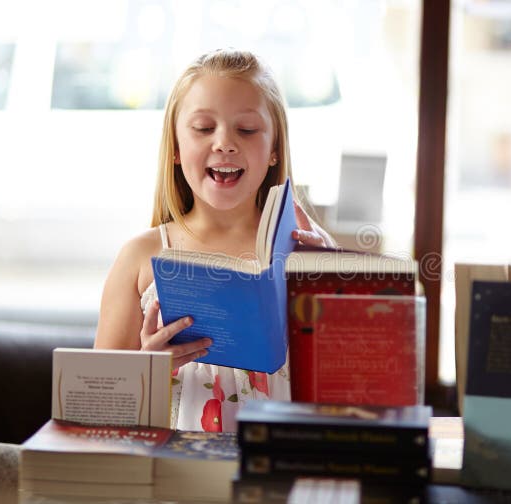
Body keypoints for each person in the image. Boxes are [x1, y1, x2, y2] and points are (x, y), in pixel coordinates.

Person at [94, 48, 334, 432]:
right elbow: (96, 411)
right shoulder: (140, 257)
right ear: (175, 148)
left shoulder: (308, 251)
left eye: (247, 129)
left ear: (274, 150)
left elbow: (350, 388)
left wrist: (334, 291)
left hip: (284, 458)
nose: (224, 143)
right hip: (175, 465)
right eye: (204, 128)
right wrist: (147, 368)